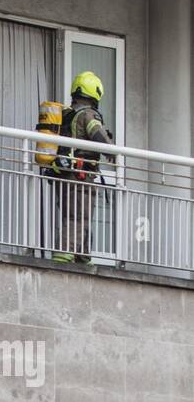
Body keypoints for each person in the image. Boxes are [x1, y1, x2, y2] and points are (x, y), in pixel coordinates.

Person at [53, 71, 114, 264]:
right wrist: (113, 152)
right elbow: (98, 135)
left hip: (64, 173)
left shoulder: (67, 115)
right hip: (80, 175)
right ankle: (66, 253)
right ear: (95, 93)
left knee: (77, 214)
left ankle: (82, 255)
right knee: (78, 215)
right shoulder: (88, 115)